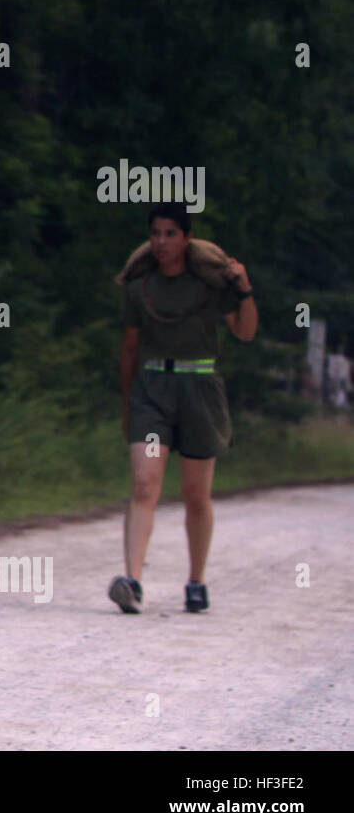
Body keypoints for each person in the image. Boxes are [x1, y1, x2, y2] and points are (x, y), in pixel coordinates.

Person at [112, 202, 256, 614]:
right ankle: (132, 580)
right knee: (145, 485)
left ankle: (196, 581)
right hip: (153, 391)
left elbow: (245, 332)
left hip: (200, 390)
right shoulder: (140, 287)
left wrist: (243, 287)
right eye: (155, 233)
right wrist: (128, 401)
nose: (161, 242)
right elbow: (130, 347)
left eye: (170, 233)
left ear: (187, 238)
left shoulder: (211, 285)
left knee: (197, 495)